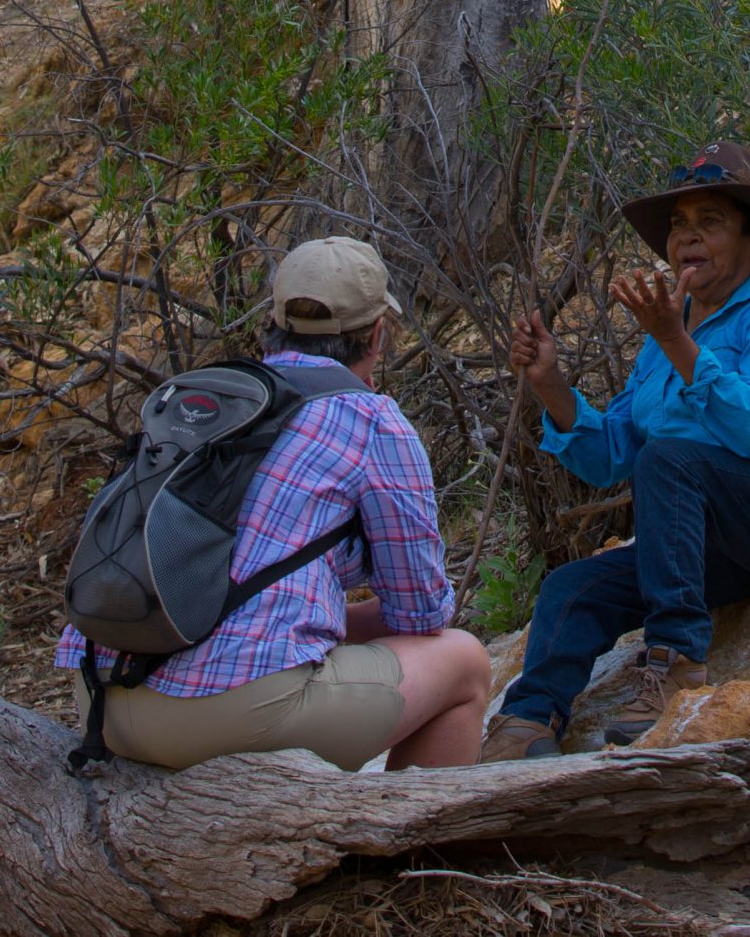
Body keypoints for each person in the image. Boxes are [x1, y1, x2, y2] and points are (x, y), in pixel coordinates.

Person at [479, 141, 750, 760]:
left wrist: (673, 339)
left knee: (669, 461)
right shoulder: (676, 324)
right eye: (680, 225)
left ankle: (676, 661)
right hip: (715, 539)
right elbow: (612, 454)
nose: (688, 237)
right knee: (573, 587)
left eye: (710, 221)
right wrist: (550, 384)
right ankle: (528, 724)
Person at [58, 236, 491, 771]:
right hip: (224, 717)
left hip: (101, 698)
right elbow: (419, 612)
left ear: (275, 320)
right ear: (378, 334)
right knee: (465, 662)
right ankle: (412, 848)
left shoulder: (212, 395)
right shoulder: (371, 422)